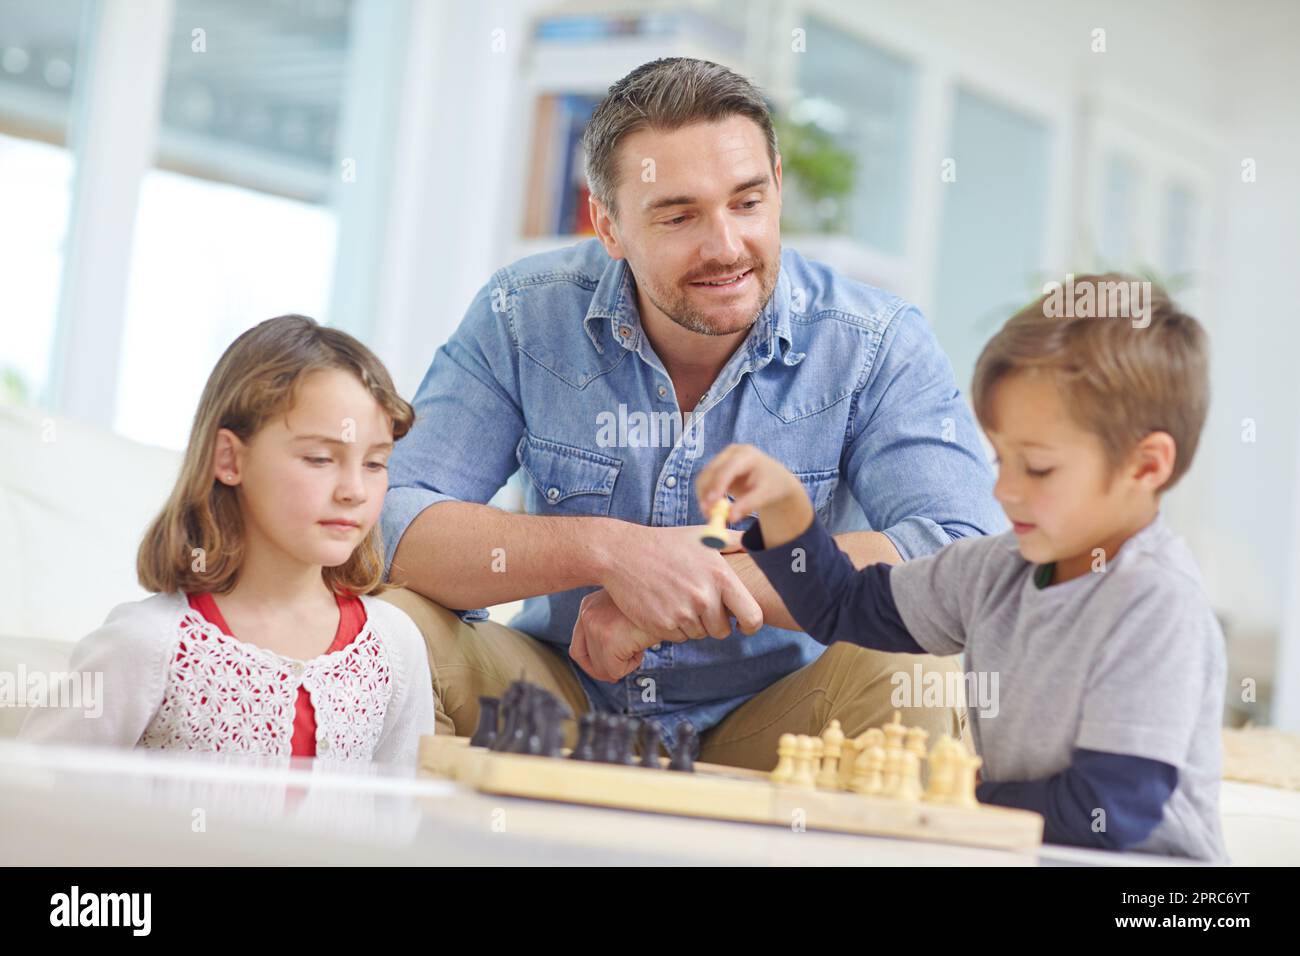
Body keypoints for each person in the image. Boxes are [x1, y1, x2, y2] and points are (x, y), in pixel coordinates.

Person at [379, 57, 1005, 770]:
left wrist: (690, 583)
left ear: (776, 182)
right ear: (608, 226)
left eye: (748, 202)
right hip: (560, 701)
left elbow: (959, 552)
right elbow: (394, 516)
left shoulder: (875, 341)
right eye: (679, 215)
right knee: (392, 629)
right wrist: (610, 553)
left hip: (785, 720)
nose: (727, 247)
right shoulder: (523, 312)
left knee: (917, 664)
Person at [696, 275, 1227, 860]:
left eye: (1039, 468)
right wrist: (788, 515)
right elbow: (843, 606)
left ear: (1146, 465)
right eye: (1002, 458)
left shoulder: (1154, 602)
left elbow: (1108, 810)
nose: (1004, 490)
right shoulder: (998, 570)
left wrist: (952, 797)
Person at [22, 315, 436, 765]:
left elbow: (401, 822)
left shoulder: (394, 647)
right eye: (319, 458)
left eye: (375, 463)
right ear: (229, 459)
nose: (354, 489)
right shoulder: (146, 645)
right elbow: (28, 799)